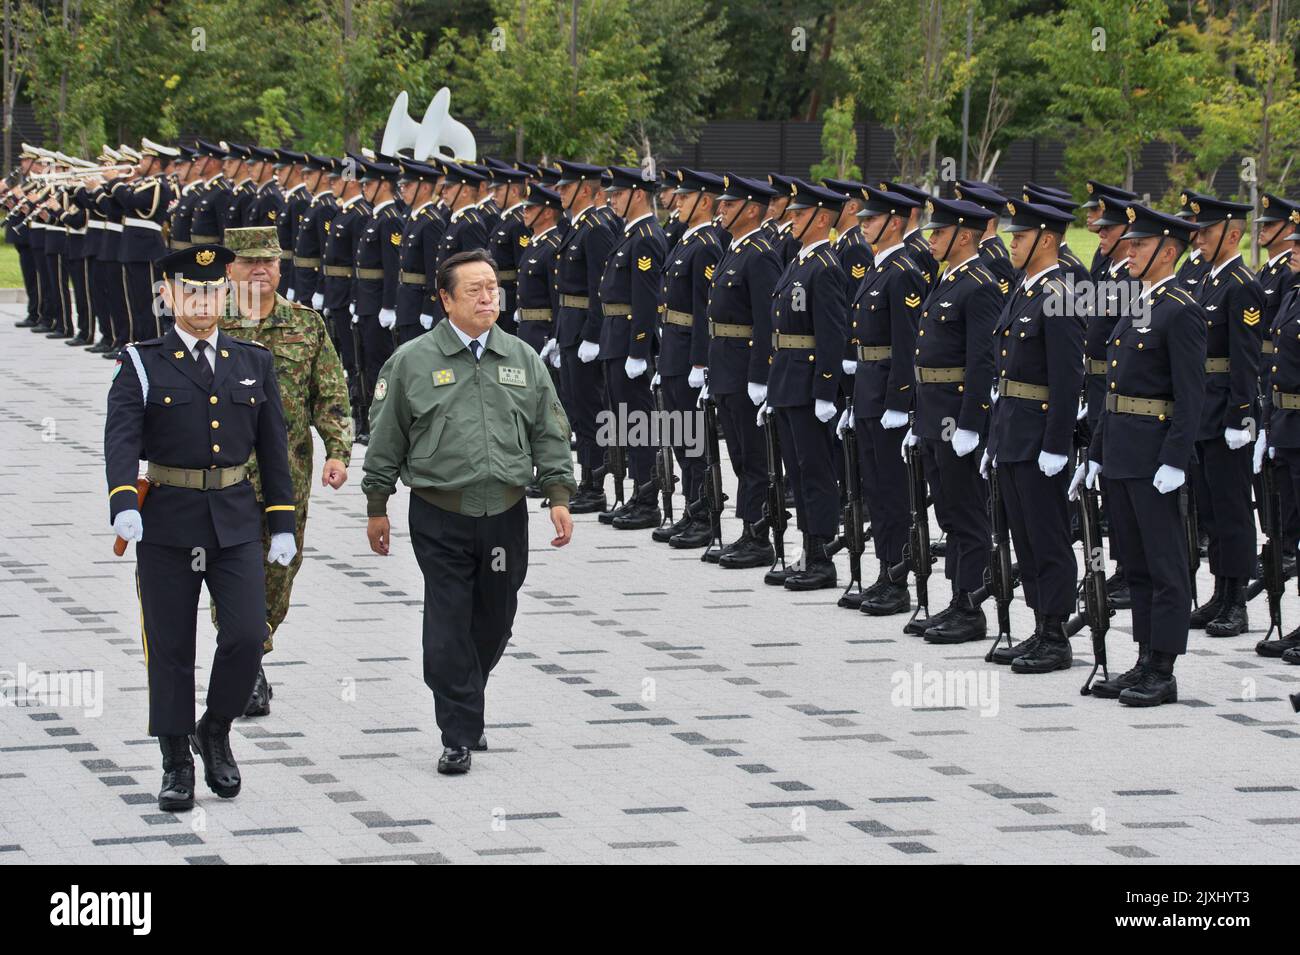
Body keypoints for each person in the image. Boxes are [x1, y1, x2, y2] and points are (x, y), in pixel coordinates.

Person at [362, 249, 576, 775]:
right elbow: (386, 435)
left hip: (503, 515)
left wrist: (560, 496)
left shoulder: (522, 358)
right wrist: (377, 504)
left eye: (493, 289)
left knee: (495, 616)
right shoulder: (413, 359)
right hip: (440, 515)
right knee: (448, 620)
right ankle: (456, 731)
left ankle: (467, 694)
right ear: (445, 298)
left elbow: (549, 430)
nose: (488, 298)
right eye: (475, 290)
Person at [104, 243, 297, 811]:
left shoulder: (252, 360)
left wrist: (281, 519)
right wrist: (123, 503)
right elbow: (120, 438)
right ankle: (174, 761)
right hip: (166, 520)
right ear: (168, 294)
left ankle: (214, 729)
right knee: (170, 647)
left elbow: (273, 447)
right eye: (192, 289)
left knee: (243, 635)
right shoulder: (141, 362)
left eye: (214, 290)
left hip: (235, 518)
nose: (205, 300)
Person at [1072, 204, 1206, 706]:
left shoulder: (1181, 310)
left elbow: (1190, 397)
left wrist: (1175, 459)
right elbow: (1114, 390)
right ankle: (1144, 656)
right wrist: (1097, 454)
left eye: (1141, 245)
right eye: (1130, 244)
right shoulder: (1139, 305)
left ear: (1168, 251)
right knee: (1137, 564)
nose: (1129, 251)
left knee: (1166, 564)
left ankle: (1164, 668)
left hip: (1155, 458)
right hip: (1124, 452)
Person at [218, 226, 353, 715]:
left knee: (279, 568)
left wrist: (338, 450)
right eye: (249, 262)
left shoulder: (306, 325)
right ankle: (247, 665)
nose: (259, 270)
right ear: (229, 269)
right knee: (232, 570)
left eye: (268, 262)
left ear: (279, 267)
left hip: (286, 476)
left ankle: (252, 649)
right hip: (223, 476)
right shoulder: (209, 321)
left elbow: (331, 395)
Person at [984, 199, 1084, 672]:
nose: (1011, 243)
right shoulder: (1026, 290)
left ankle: (1056, 635)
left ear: (1046, 240)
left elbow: (1067, 379)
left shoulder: (1060, 294)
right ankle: (1040, 625)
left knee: (1048, 536)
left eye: (1019, 237)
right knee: (1024, 535)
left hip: (1039, 434)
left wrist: (1056, 444)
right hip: (1012, 430)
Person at [905, 197, 1001, 642]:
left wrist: (971, 423)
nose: (931, 240)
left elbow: (982, 361)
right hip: (934, 413)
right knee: (948, 511)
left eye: (938, 233)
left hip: (955, 418)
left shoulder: (979, 284)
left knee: (967, 513)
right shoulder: (951, 280)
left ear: (964, 236)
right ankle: (958, 597)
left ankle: (973, 605)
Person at [841, 185, 927, 613]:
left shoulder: (904, 272)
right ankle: (884, 568)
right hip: (868, 391)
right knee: (874, 488)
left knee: (893, 491)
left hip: (887, 395)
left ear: (894, 222)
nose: (863, 227)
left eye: (870, 220)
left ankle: (898, 579)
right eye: (861, 221)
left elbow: (906, 344)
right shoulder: (878, 269)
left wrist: (899, 402)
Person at [764, 178, 848, 591]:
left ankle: (821, 555)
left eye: (799, 213)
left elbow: (832, 335)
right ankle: (806, 548)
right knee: (796, 472)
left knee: (815, 472)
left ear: (820, 218)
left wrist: (825, 391)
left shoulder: (826, 267)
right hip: (787, 380)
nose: (791, 219)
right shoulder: (800, 261)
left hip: (807, 384)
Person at [1186, 194, 1264, 637]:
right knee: (1210, 509)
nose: (1198, 239)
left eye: (1207, 232)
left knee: (1233, 509)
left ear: (1232, 235)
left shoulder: (1242, 285)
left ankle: (1237, 601)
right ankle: (1219, 590)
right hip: (1201, 409)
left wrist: (1240, 417)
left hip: (1226, 414)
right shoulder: (1205, 280)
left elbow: (1245, 359)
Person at [705, 173, 781, 567]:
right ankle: (749, 527)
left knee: (754, 457)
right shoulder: (734, 250)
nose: (721, 210)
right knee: (738, 454)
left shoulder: (761, 254)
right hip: (725, 365)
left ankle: (758, 533)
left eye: (729, 205)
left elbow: (767, 322)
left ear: (751, 210)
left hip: (743, 367)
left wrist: (759, 376)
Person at [596, 166, 667, 529]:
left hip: (628, 340)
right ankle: (635, 493)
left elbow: (646, 300)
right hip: (614, 335)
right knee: (623, 421)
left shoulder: (646, 237)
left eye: (618, 194)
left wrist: (639, 351)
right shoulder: (630, 235)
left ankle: (647, 498)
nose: (612, 200)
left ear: (637, 195)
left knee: (638, 423)